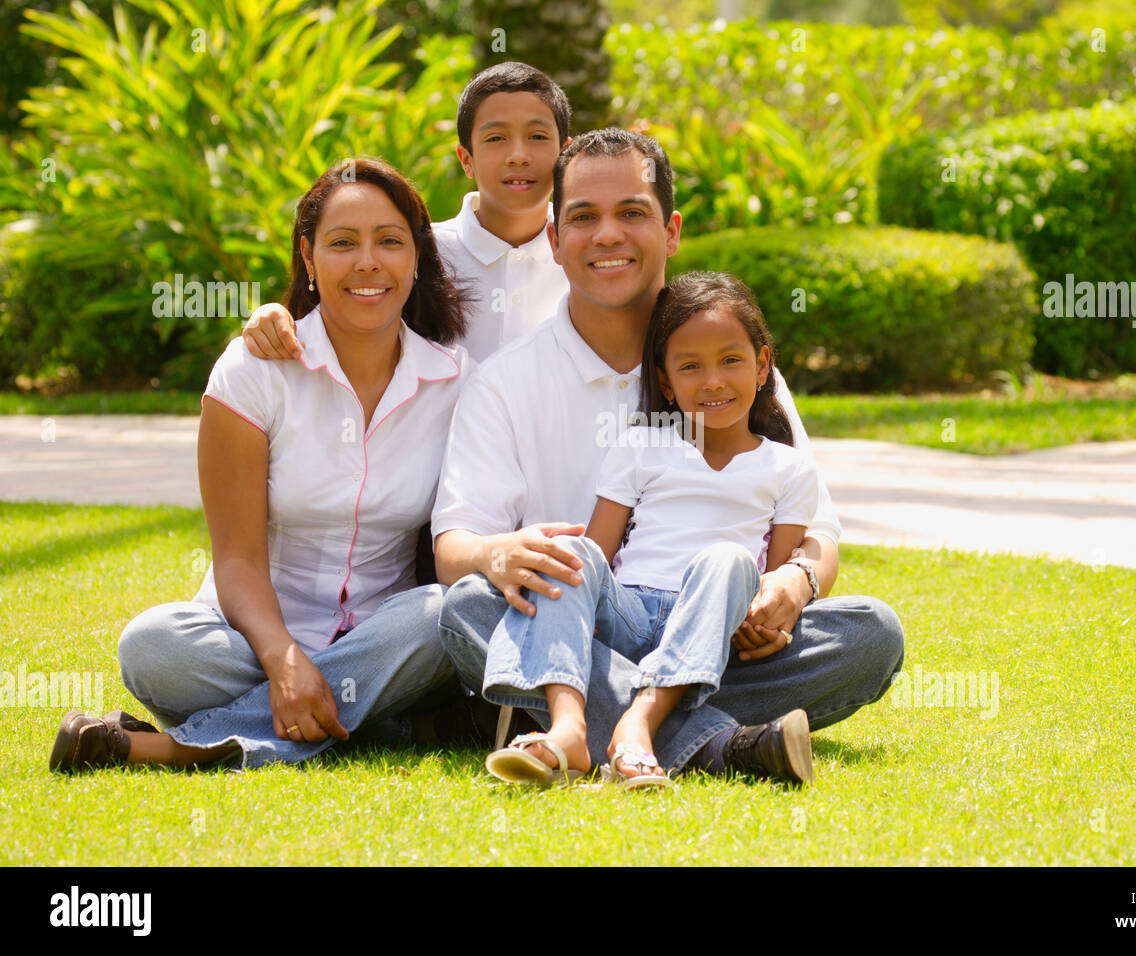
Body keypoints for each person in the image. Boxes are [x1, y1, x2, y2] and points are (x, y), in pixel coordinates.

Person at [433, 128, 906, 785]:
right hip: (587, 631)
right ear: (553, 239)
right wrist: (494, 554)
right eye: (583, 217)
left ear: (672, 230)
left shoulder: (728, 361)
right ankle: (720, 746)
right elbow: (454, 546)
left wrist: (790, 587)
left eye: (631, 213)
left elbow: (816, 534)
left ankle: (602, 727)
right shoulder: (505, 383)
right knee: (467, 610)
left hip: (726, 633)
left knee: (871, 632)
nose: (607, 235)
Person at [49, 157, 472, 772]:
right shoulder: (252, 373)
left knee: (441, 615)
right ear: (308, 255)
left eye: (390, 242)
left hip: (387, 638)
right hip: (247, 643)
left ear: (416, 258)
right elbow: (238, 559)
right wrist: (283, 661)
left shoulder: (455, 382)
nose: (367, 262)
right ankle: (394, 723)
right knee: (152, 647)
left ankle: (173, 747)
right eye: (342, 243)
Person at [481, 272, 820, 787]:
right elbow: (597, 552)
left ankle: (637, 724)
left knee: (730, 559)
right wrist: (575, 601)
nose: (712, 381)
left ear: (762, 366)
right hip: (630, 614)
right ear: (666, 381)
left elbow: (772, 585)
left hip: (709, 622)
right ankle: (569, 726)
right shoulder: (641, 446)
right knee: (565, 552)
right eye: (690, 366)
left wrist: (762, 615)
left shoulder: (789, 469)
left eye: (731, 360)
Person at [239, 61, 572, 364]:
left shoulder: (584, 254)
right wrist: (271, 317)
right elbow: (340, 317)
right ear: (465, 158)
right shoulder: (419, 253)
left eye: (538, 136)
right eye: (496, 138)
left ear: (565, 153)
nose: (518, 155)